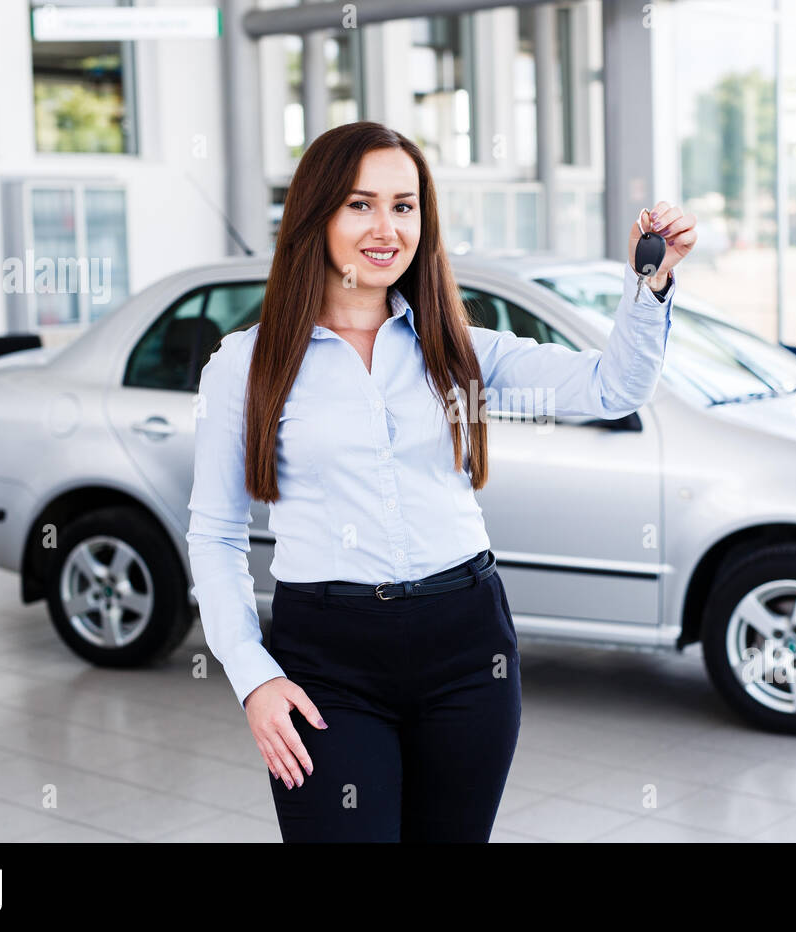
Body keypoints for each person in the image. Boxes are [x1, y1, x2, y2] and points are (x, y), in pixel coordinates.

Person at [186, 120, 696, 842]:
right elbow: (214, 533)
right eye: (360, 204)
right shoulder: (246, 363)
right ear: (316, 214)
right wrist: (252, 674)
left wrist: (652, 282)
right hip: (329, 663)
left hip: (466, 650)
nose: (386, 227)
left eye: (405, 205)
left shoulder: (458, 348)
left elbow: (613, 389)